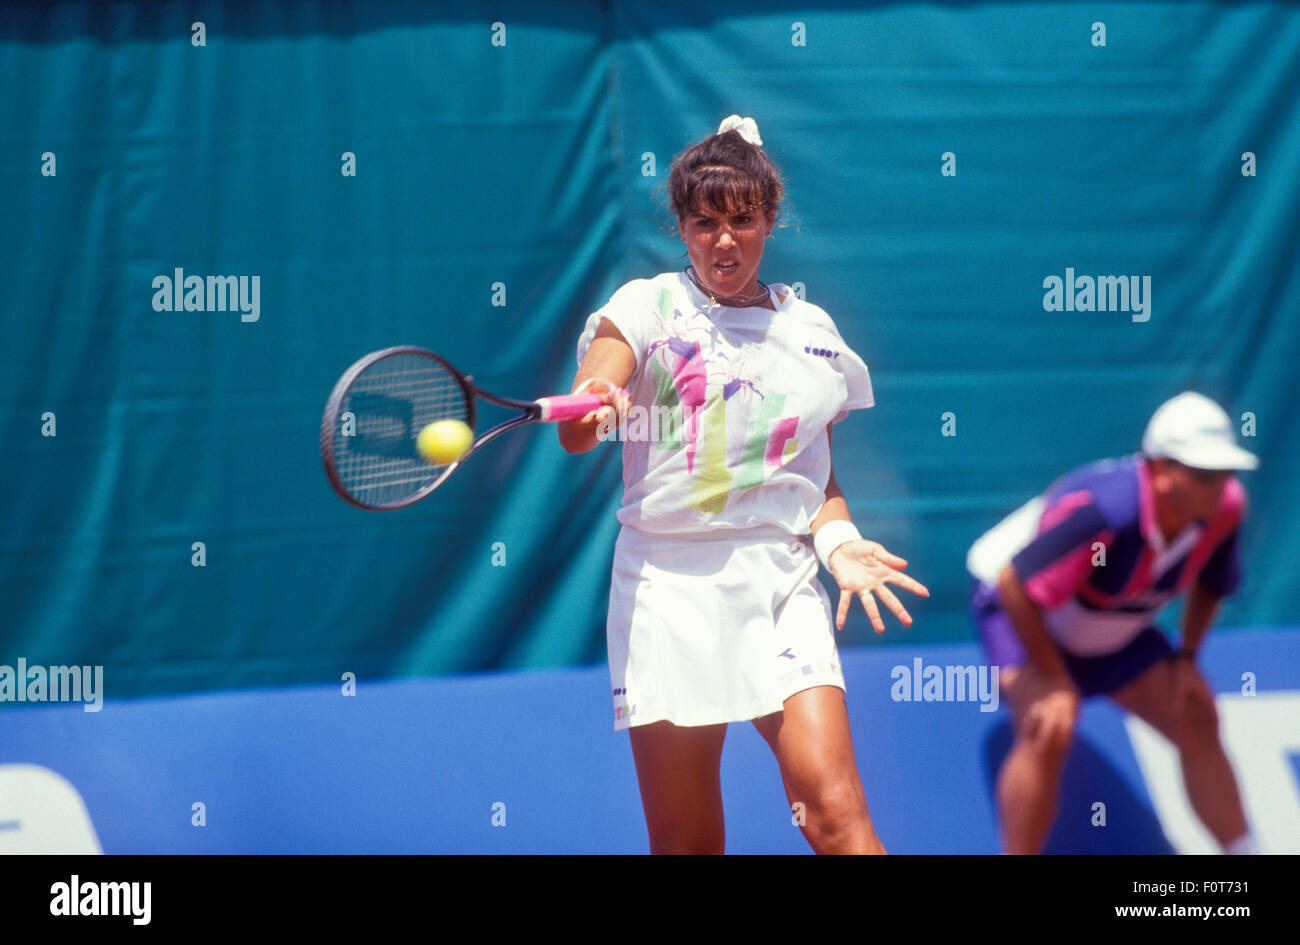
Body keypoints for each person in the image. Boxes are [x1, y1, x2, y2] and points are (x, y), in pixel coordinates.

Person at [557, 115, 929, 854]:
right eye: (704, 223)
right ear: (683, 228)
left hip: (779, 582)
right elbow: (580, 418)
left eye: (742, 220)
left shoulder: (812, 332)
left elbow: (817, 477)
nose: (723, 240)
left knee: (834, 811)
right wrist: (599, 402)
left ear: (768, 220)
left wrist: (840, 541)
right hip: (665, 586)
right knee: (688, 840)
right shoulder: (645, 307)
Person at [966, 391, 1259, 854]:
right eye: (1205, 474)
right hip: (1020, 612)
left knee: (1197, 713)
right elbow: (1014, 583)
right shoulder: (1107, 511)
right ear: (1161, 470)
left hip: (1111, 623)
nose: (1219, 485)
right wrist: (1055, 677)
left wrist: (1187, 658)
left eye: (1226, 472)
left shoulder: (1225, 508)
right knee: (1049, 724)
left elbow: (1213, 584)